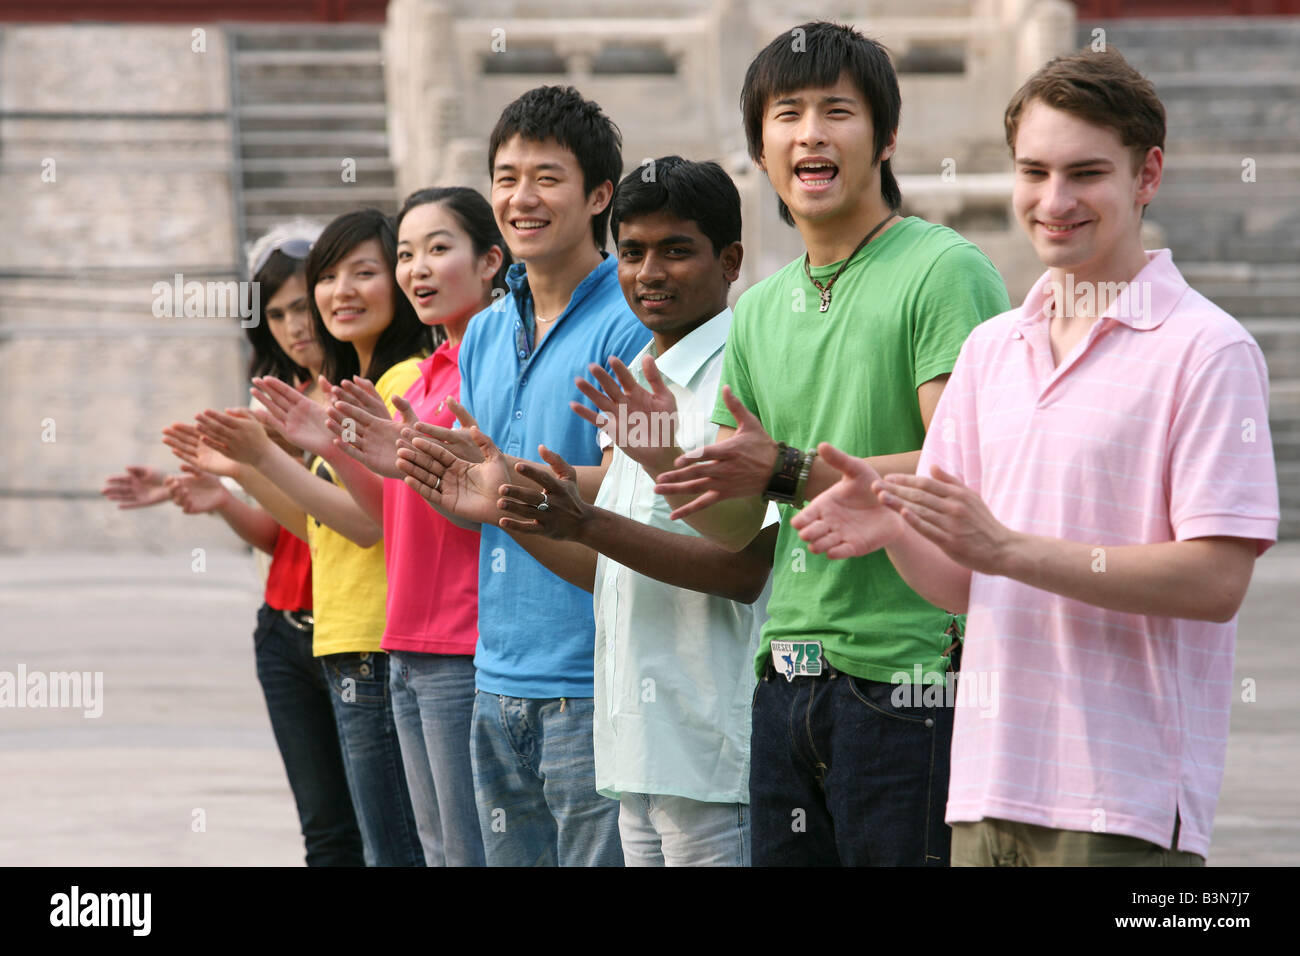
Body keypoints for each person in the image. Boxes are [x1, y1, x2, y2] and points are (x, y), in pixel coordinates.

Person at [792, 48, 1279, 866]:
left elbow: (1216, 580)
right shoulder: (990, 349)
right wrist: (894, 526)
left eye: (1085, 173)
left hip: (1121, 799)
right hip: (984, 791)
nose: (1054, 201)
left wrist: (1010, 550)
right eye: (1034, 172)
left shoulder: (1207, 351)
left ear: (1146, 175)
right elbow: (962, 583)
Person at [647, 22, 1011, 865]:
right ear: (760, 149)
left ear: (885, 138)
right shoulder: (762, 309)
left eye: (836, 111)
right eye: (786, 114)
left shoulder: (942, 270)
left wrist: (788, 467)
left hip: (910, 680)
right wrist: (670, 459)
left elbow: (967, 462)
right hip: (786, 680)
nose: (809, 132)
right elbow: (741, 530)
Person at [441, 157, 778, 865]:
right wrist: (509, 509)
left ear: (731, 261)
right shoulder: (641, 382)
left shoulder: (745, 375)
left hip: (712, 754)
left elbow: (743, 569)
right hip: (634, 751)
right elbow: (615, 572)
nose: (649, 272)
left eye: (676, 250)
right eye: (632, 252)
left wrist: (588, 519)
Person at [393, 85, 650, 866]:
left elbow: (640, 487)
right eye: (506, 177)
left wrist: (509, 480)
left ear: (599, 195)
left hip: (593, 675)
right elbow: (480, 498)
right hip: (495, 672)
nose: (520, 197)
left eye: (547, 177)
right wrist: (417, 468)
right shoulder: (486, 330)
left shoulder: (632, 317)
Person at [256, 186, 512, 866]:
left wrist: (269, 457)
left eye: (436, 250)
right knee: (415, 848)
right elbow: (377, 515)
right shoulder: (423, 373)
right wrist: (309, 448)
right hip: (398, 639)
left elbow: (373, 525)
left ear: (491, 260)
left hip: (444, 640)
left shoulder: (456, 370)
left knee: (430, 850)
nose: (417, 269)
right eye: (405, 255)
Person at [180, 209, 430, 867]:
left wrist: (262, 460)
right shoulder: (338, 391)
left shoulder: (394, 385)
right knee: (345, 839)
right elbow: (318, 530)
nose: (330, 300)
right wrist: (241, 472)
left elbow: (369, 525)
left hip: (372, 636)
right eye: (329, 279)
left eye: (364, 273)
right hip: (321, 633)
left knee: (390, 847)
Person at [124, 222, 365, 866]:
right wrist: (224, 496)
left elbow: (349, 527)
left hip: (356, 634)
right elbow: (290, 536)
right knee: (325, 833)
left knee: (379, 832)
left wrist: (251, 466)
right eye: (278, 314)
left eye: (302, 304)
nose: (294, 325)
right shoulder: (274, 407)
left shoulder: (363, 396)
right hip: (285, 630)